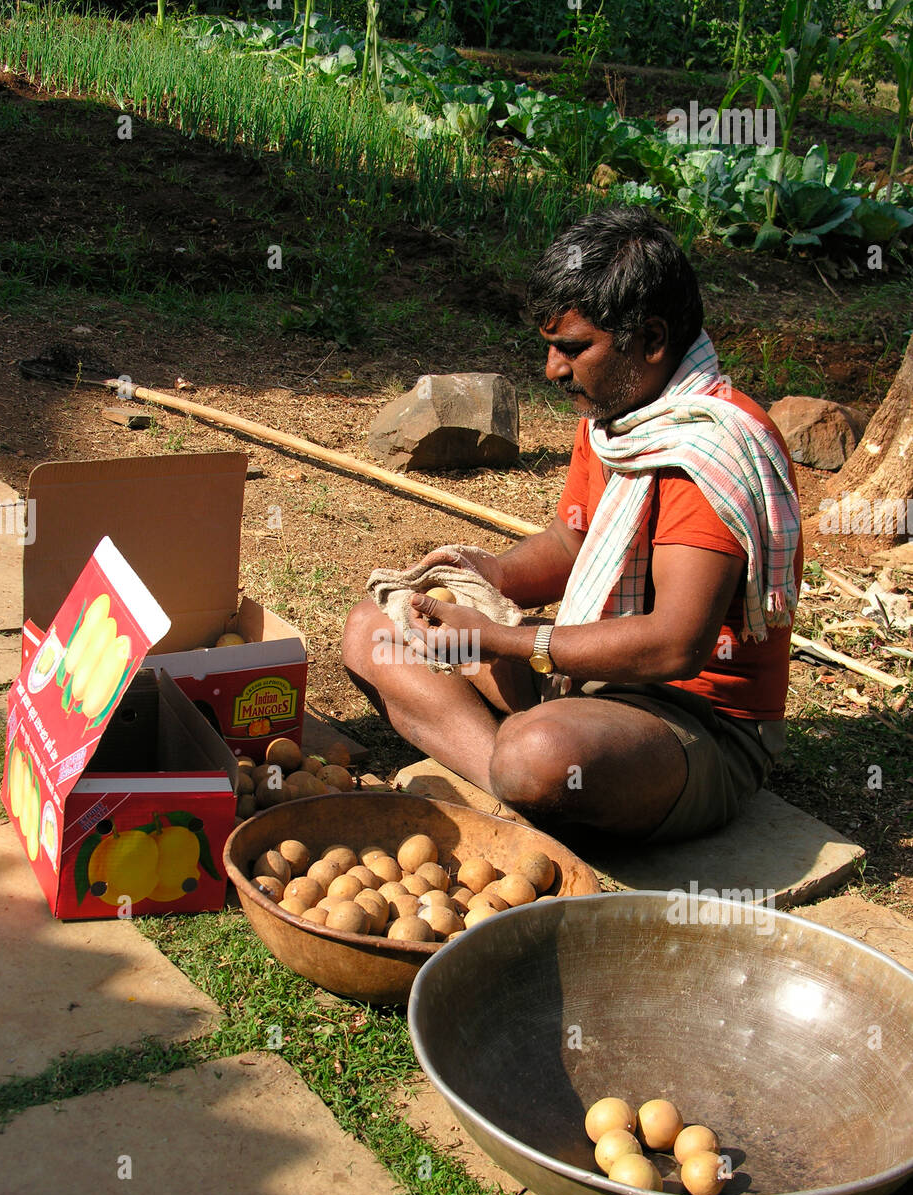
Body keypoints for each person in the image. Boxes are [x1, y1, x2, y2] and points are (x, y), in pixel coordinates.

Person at [342, 207, 802, 843]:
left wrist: (508, 640)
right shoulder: (617, 418)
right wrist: (491, 574)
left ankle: (528, 774)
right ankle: (516, 802)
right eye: (550, 348)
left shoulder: (708, 452)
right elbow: (570, 542)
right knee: (374, 629)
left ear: (652, 340)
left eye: (573, 349)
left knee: (541, 752)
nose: (554, 370)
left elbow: (676, 645)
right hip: (581, 679)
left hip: (695, 724)